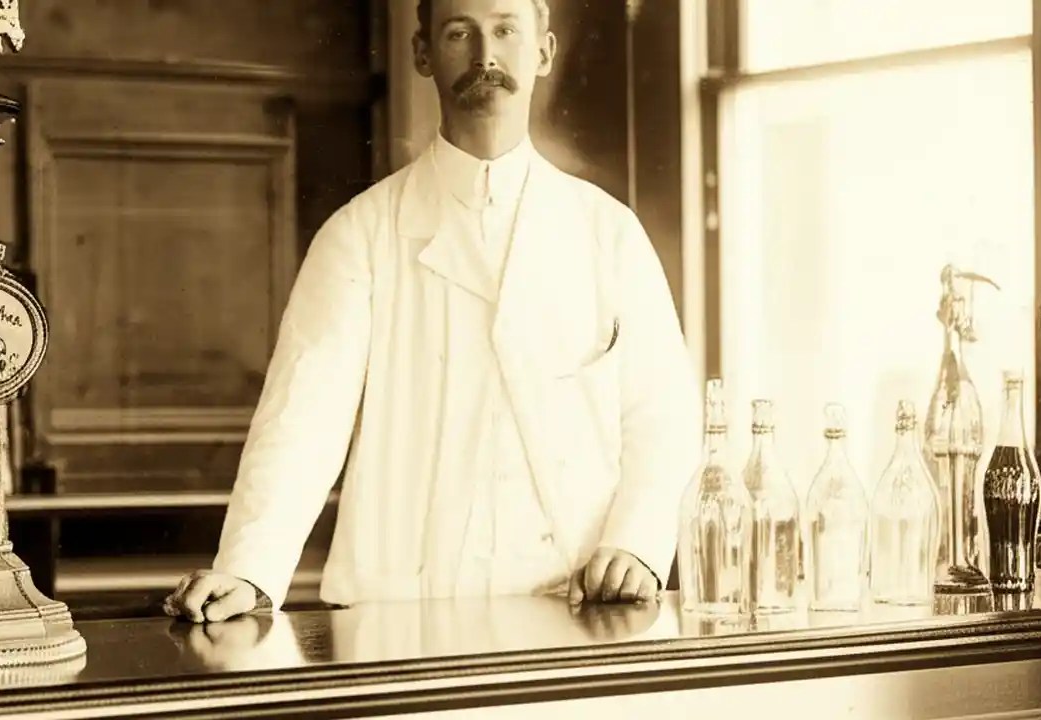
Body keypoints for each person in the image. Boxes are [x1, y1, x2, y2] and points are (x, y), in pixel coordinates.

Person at [164, 0, 702, 623]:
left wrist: (636, 542)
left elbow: (662, 413)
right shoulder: (360, 235)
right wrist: (248, 569)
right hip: (409, 607)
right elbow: (301, 419)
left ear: (544, 51)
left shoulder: (608, 233)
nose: (485, 56)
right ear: (422, 53)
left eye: (505, 30)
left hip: (577, 600)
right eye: (458, 33)